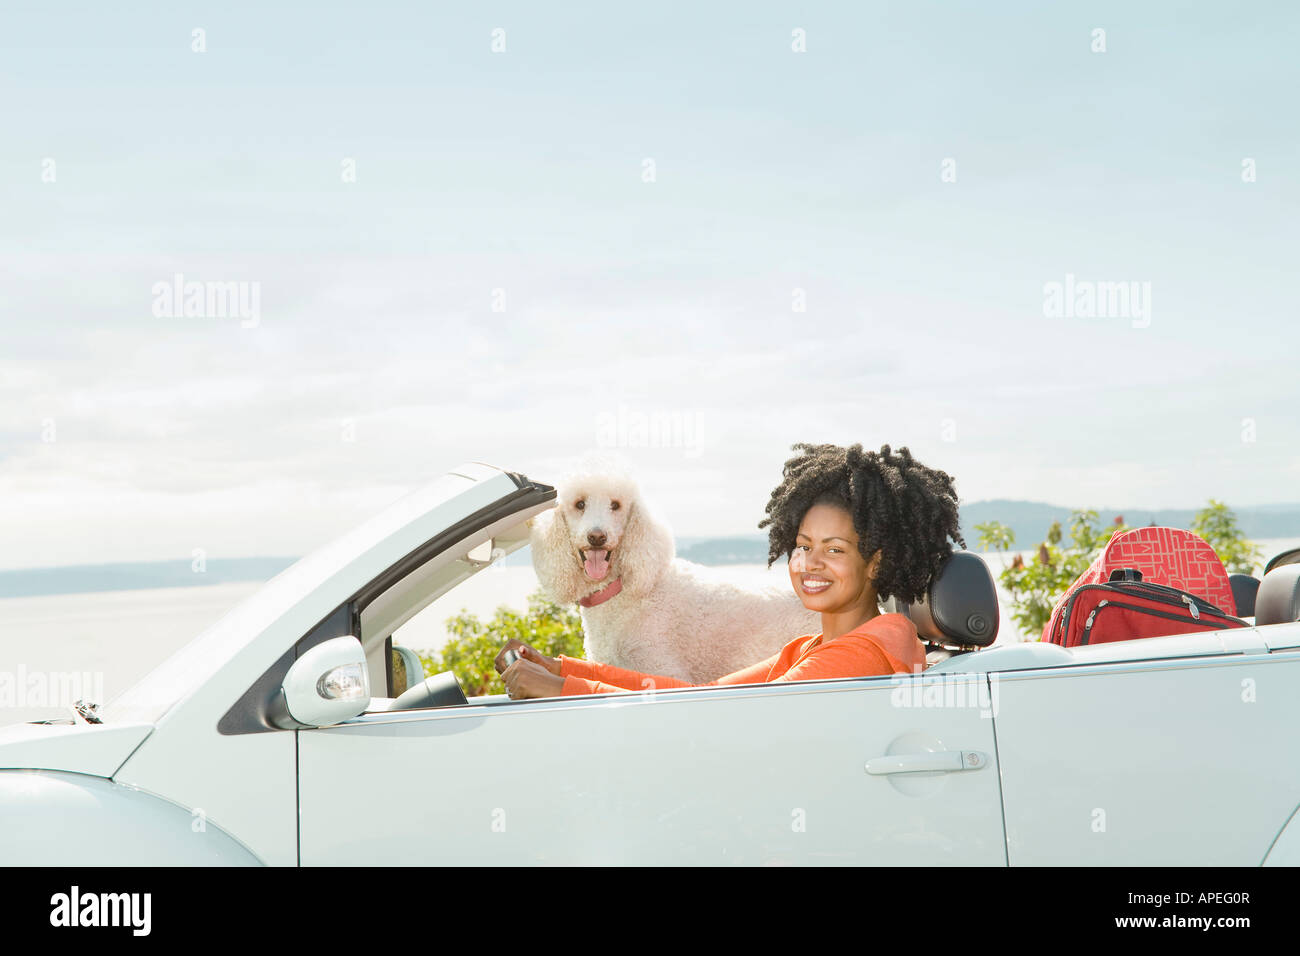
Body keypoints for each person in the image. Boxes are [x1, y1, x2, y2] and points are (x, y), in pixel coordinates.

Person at [496, 442, 965, 698]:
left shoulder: (859, 654)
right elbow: (697, 694)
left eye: (835, 549)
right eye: (801, 547)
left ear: (877, 560)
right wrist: (561, 668)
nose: (810, 564)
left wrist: (565, 689)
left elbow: (718, 719)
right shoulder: (812, 648)